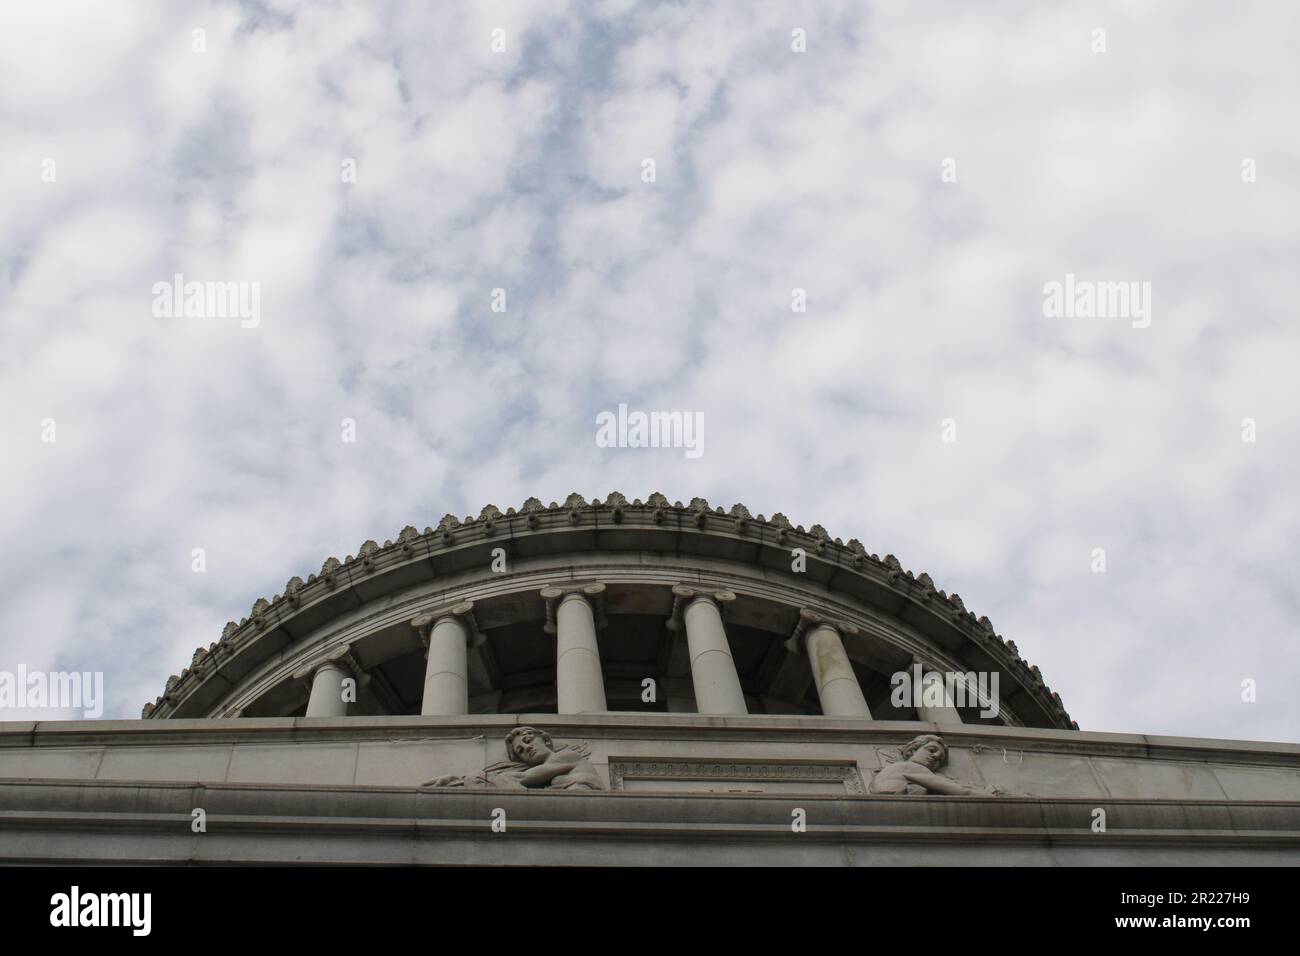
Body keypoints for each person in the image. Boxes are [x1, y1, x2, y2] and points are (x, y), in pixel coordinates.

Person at [422, 725, 604, 791]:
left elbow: (522, 778)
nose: (527, 748)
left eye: (528, 740)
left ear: (546, 740)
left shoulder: (566, 756)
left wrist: (467, 780)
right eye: (521, 750)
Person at [868, 733, 1005, 796]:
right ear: (912, 750)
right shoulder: (912, 767)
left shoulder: (900, 769)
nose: (935, 757)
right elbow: (962, 792)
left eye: (940, 759)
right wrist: (984, 794)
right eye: (931, 750)